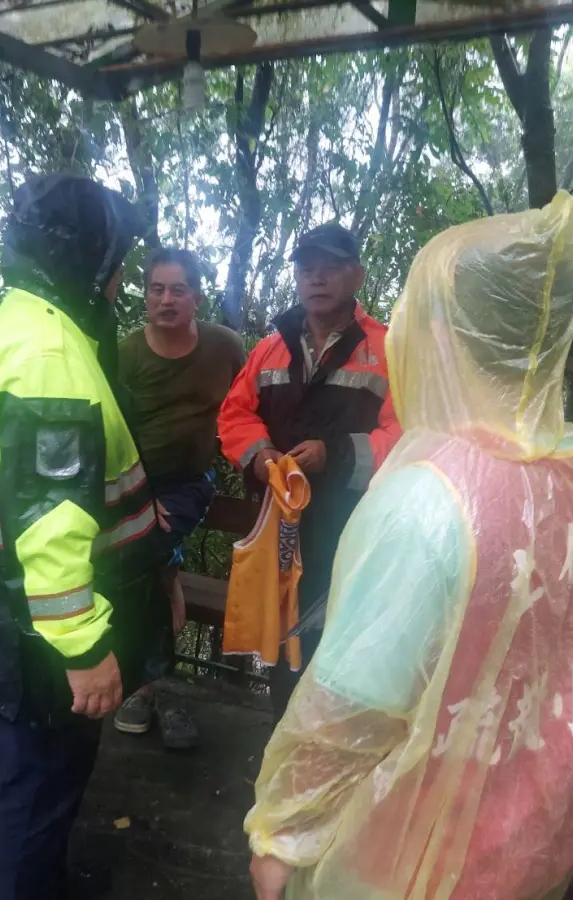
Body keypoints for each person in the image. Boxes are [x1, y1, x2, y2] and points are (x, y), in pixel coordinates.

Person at [244, 192, 573, 900]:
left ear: (443, 331)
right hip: (536, 854)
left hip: (406, 866)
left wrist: (283, 837)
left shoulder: (433, 497)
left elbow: (351, 707)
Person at [0, 174, 170, 900]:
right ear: (84, 258)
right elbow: (51, 521)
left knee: (37, 781)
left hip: (13, 605)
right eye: (114, 259)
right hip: (43, 625)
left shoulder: (19, 320)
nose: (121, 279)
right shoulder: (50, 351)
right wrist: (84, 648)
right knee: (38, 785)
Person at [217, 222, 402, 714]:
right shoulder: (270, 348)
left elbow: (408, 436)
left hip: (351, 536)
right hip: (278, 531)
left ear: (357, 276)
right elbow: (235, 413)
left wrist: (335, 455)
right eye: (307, 269)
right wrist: (259, 456)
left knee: (340, 652)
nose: (317, 279)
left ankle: (326, 764)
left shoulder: (387, 351)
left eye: (331, 268)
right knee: (286, 652)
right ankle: (284, 754)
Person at [113, 247, 246, 750]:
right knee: (153, 569)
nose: (166, 299)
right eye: (156, 289)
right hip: (130, 486)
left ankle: (150, 687)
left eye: (177, 290)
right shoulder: (125, 354)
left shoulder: (224, 347)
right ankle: (157, 688)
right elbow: (108, 432)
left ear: (196, 297)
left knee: (149, 550)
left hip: (187, 486)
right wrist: (132, 498)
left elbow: (249, 404)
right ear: (145, 296)